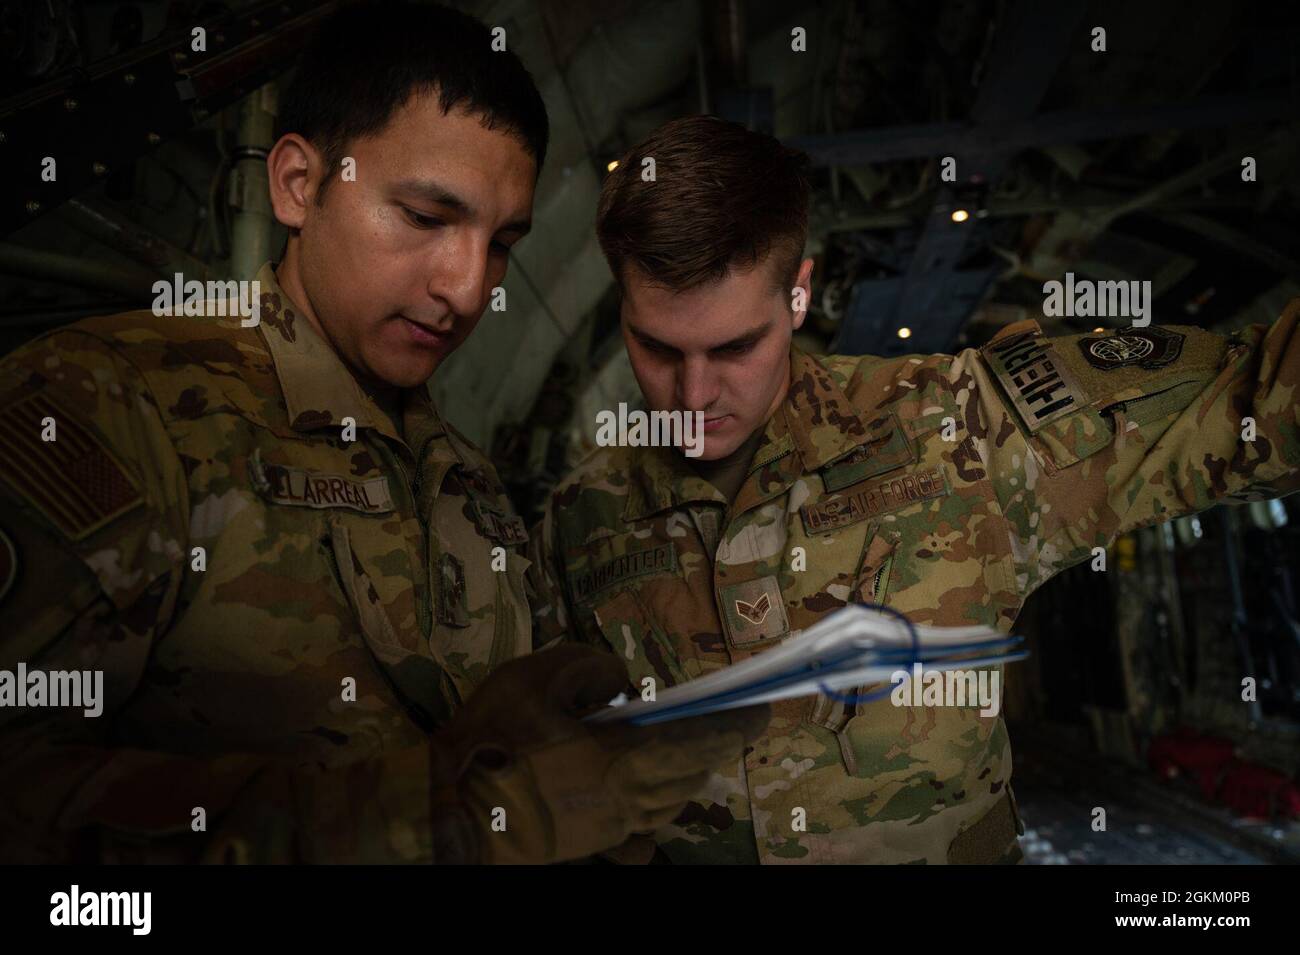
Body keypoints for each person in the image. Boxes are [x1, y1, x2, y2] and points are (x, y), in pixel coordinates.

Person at [0, 3, 765, 865]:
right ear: (298, 185)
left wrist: (593, 771)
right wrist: (439, 817)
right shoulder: (115, 405)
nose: (468, 289)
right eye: (427, 218)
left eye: (503, 243)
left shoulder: (467, 484)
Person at [528, 114, 1300, 864]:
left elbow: (1257, 396)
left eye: (734, 347)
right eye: (656, 347)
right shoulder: (581, 516)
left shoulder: (961, 428)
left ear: (799, 294)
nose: (693, 395)